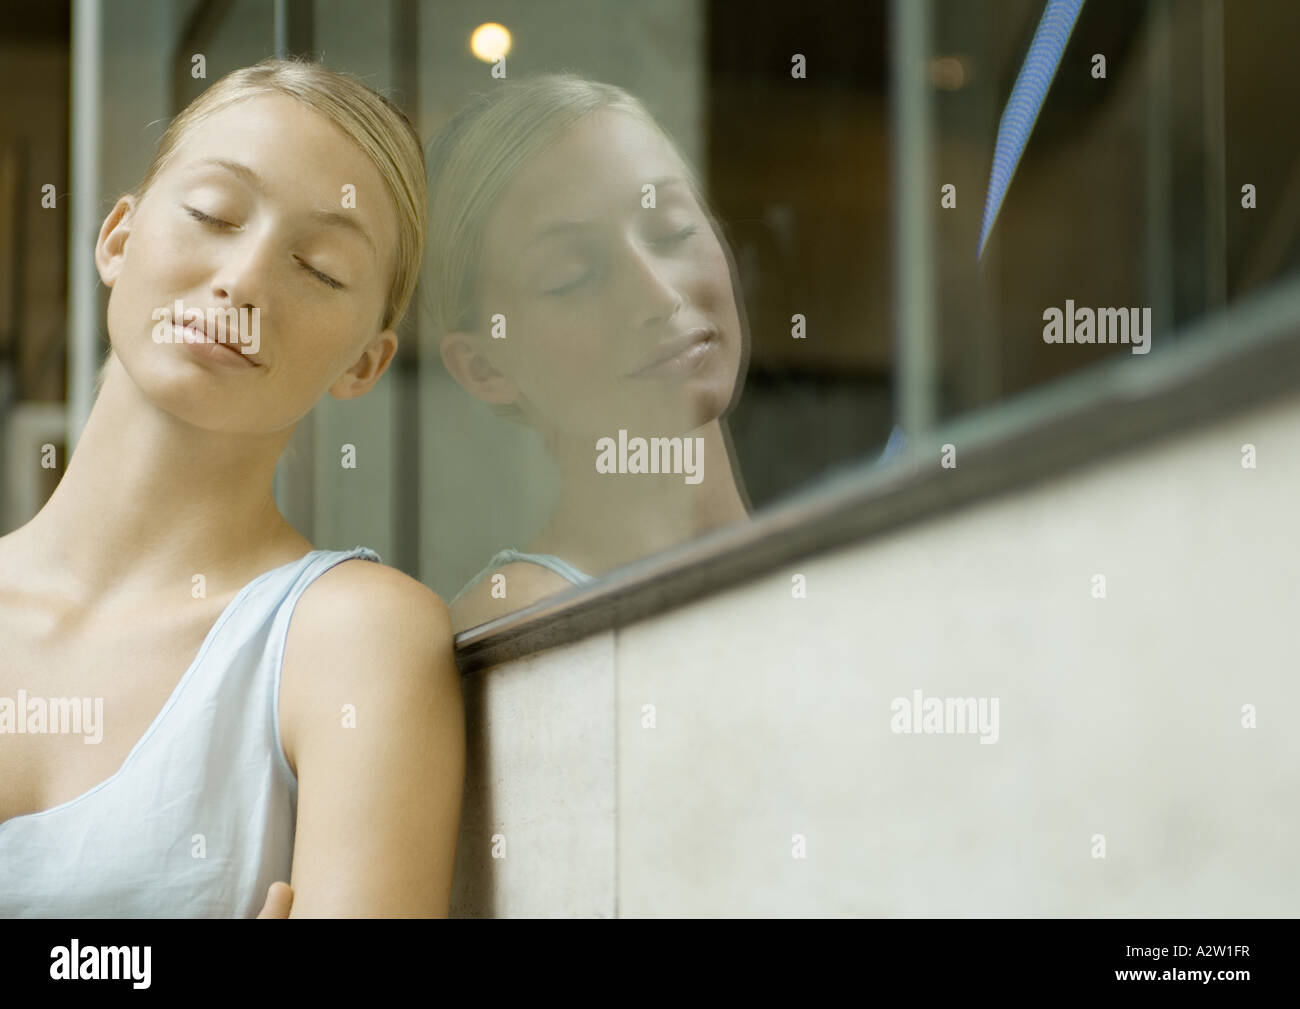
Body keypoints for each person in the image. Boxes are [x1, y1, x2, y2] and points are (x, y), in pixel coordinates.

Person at [0, 59, 464, 917]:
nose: (243, 282)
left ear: (365, 362)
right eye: (214, 214)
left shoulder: (354, 638)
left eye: (320, 268)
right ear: (117, 239)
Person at [428, 74, 753, 632]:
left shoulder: (835, 562)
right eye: (570, 276)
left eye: (672, 230)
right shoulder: (523, 619)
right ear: (485, 367)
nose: (659, 295)